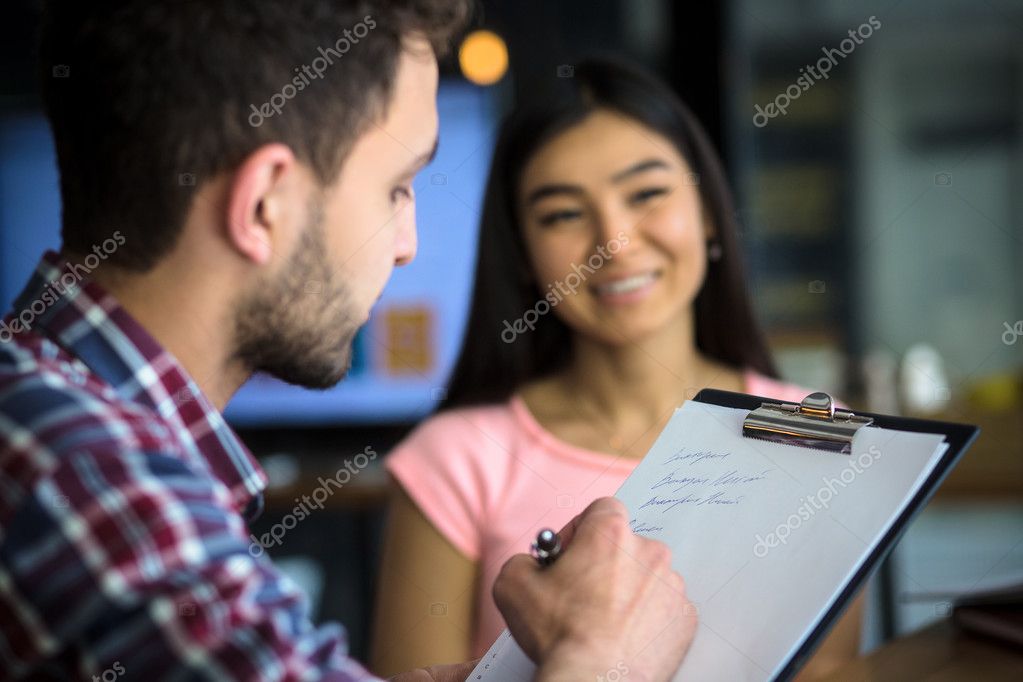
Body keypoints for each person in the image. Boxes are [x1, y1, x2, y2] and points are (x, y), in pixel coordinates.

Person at [0, 3, 697, 680]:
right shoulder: (101, 486)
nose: (407, 245)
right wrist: (610, 659)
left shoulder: (46, 418)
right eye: (396, 188)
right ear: (264, 204)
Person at [373, 58, 864, 679]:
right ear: (522, 253)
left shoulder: (818, 431)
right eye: (563, 214)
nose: (615, 244)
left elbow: (833, 673)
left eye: (648, 194)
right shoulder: (452, 460)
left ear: (710, 212)